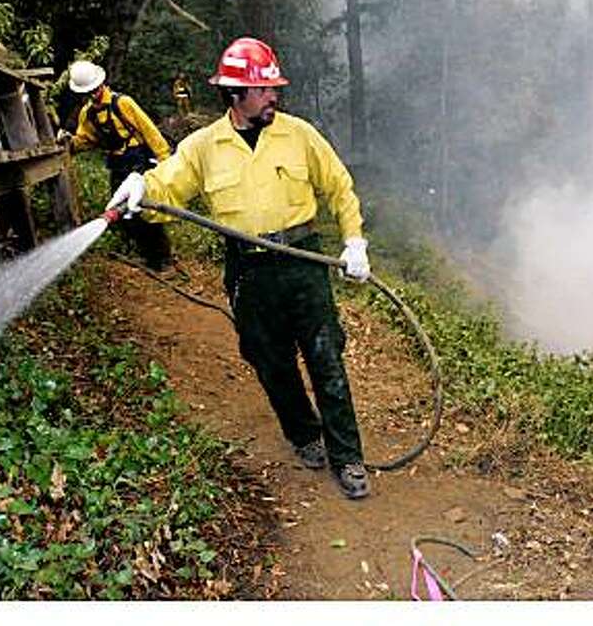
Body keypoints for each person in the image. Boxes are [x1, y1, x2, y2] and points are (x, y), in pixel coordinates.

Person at [106, 38, 373, 499]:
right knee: (271, 362)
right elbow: (166, 188)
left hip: (302, 262)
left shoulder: (299, 134)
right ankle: (305, 435)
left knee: (326, 358)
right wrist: (139, 190)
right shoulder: (203, 148)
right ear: (235, 94)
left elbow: (340, 188)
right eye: (264, 90)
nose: (274, 97)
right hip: (249, 272)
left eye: (273, 89)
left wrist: (354, 241)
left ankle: (347, 458)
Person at [60, 60, 174, 271]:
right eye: (88, 93)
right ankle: (140, 252)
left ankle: (162, 258)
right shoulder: (88, 114)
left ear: (101, 84)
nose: (93, 95)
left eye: (95, 90)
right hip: (117, 164)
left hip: (139, 160)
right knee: (120, 210)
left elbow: (149, 130)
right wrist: (69, 142)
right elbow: (86, 139)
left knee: (145, 209)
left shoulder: (123, 103)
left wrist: (164, 160)